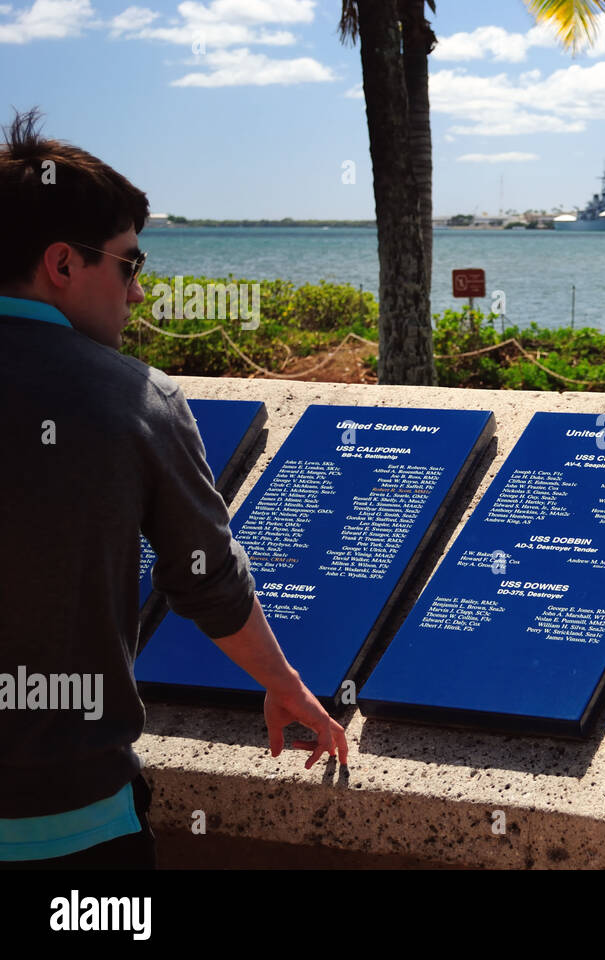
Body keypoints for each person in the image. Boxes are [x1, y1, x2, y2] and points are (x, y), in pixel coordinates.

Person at [0, 110, 348, 869]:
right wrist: (284, 685)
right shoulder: (134, 400)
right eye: (128, 266)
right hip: (71, 825)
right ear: (62, 264)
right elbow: (207, 580)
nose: (135, 293)